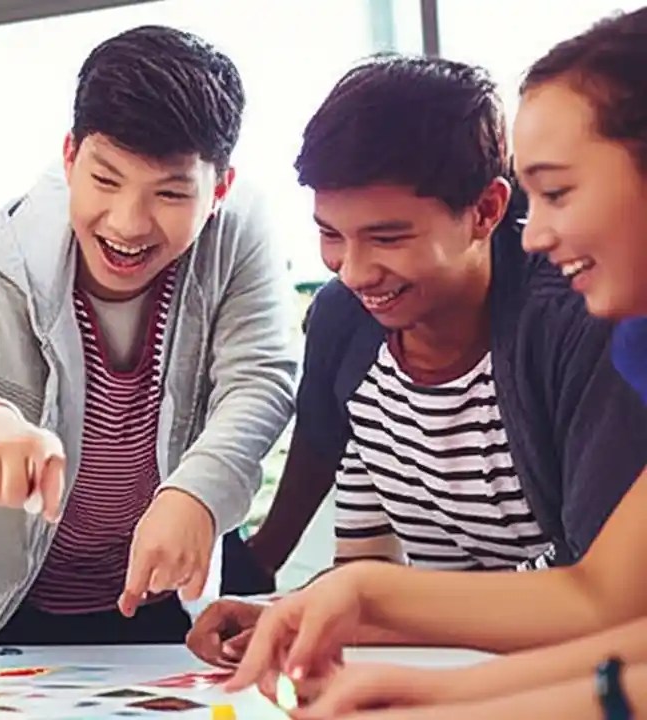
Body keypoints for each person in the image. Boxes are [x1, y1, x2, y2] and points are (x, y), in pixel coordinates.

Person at [224, 9, 647, 719]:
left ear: (484, 211)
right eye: (331, 235)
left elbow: (601, 605)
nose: (535, 234)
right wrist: (428, 686)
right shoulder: (348, 328)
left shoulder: (581, 328)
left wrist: (429, 679)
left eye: (560, 191)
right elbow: (608, 599)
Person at [0, 25, 298, 646]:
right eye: (105, 181)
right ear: (70, 156)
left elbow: (260, 380)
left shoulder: (237, 234)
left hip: (175, 602)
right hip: (14, 614)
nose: (128, 223)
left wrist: (197, 493)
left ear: (219, 188)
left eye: (171, 194)